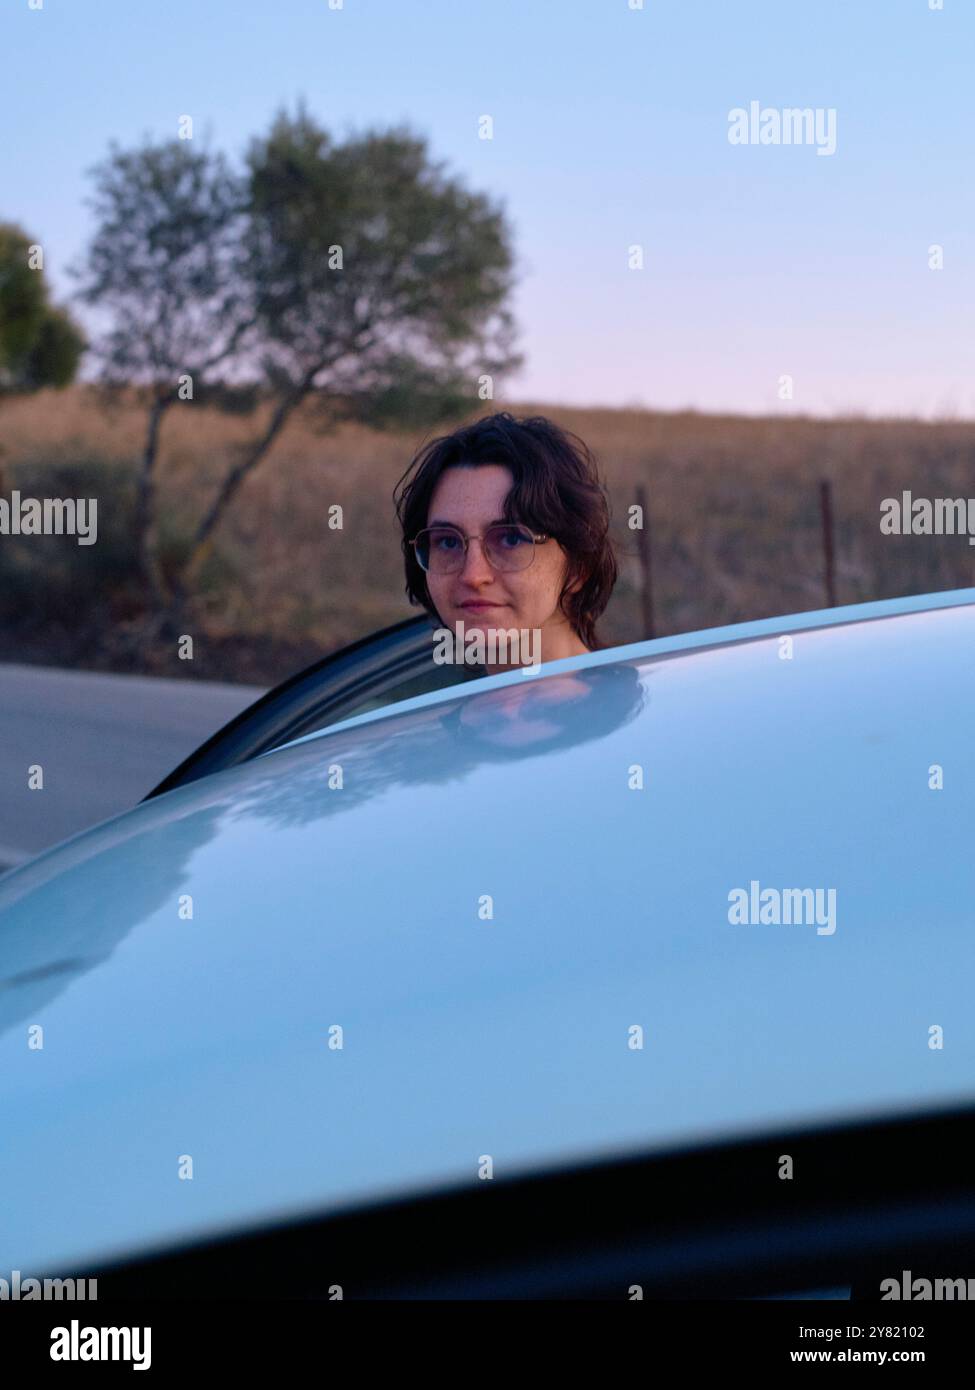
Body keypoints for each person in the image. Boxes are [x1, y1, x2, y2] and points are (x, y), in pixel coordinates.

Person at [393, 411, 618, 678]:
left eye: (511, 539)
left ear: (578, 566)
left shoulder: (642, 718)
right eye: (448, 542)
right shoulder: (438, 716)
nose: (473, 576)